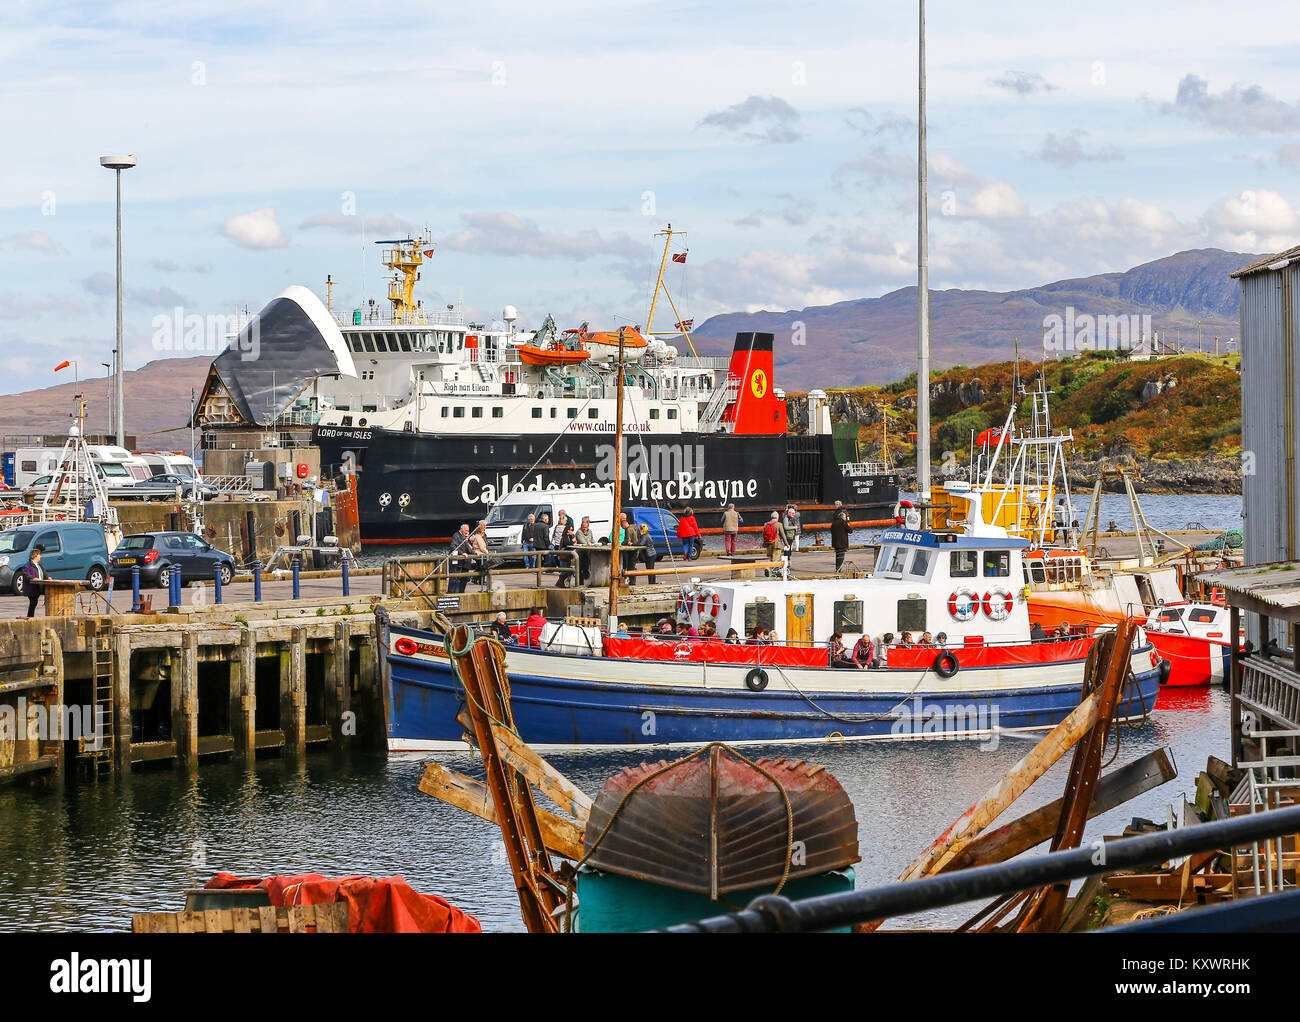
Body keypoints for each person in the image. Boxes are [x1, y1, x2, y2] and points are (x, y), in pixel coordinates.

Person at [23, 544, 46, 618]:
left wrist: (48, 577)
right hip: (32, 588)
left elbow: (43, 572)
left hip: (39, 587)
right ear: (35, 556)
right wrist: (33, 578)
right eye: (39, 555)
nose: (41, 556)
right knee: (33, 603)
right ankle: (30, 617)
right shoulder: (28, 565)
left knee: (34, 603)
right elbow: (26, 575)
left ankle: (30, 616)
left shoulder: (39, 564)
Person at [448, 524, 472, 593]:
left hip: (465, 562)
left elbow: (469, 549)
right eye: (466, 530)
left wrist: (475, 552)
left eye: (468, 531)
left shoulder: (466, 538)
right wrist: (462, 553)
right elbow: (453, 547)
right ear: (462, 529)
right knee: (455, 578)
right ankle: (452, 592)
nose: (467, 532)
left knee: (464, 579)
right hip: (457, 562)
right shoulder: (456, 535)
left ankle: (461, 592)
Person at [575, 516, 596, 585]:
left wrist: (595, 544)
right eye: (583, 528)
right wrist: (589, 543)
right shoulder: (579, 532)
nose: (585, 529)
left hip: (587, 553)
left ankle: (588, 582)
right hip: (580, 553)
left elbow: (592, 540)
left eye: (586, 528)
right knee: (580, 569)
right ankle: (580, 584)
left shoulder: (590, 531)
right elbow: (582, 542)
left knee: (587, 568)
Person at [467, 522, 490, 588]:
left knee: (479, 567)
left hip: (479, 554)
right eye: (484, 526)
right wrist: (488, 553)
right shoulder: (478, 537)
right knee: (483, 567)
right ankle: (480, 580)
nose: (485, 527)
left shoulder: (481, 535)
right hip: (480, 554)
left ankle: (475, 578)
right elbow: (482, 547)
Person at [831, 502, 851, 572]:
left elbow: (831, 531)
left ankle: (837, 569)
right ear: (843, 517)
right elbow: (850, 530)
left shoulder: (833, 523)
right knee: (841, 557)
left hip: (836, 542)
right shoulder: (843, 522)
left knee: (837, 556)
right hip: (842, 542)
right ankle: (839, 570)